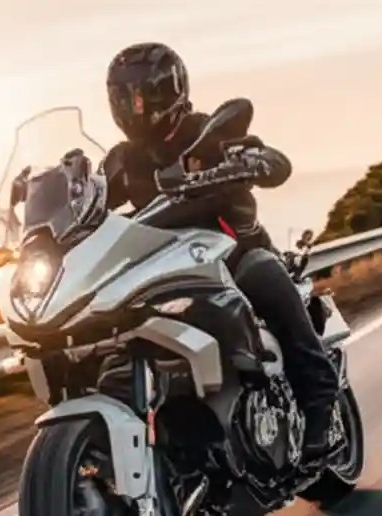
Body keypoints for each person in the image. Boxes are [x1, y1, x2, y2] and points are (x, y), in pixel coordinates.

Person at [100, 42, 339, 464]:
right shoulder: (121, 161)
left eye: (144, 94)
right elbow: (96, 207)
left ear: (171, 90)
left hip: (233, 252)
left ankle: (320, 399)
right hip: (167, 268)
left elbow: (273, 161)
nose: (136, 106)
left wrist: (252, 160)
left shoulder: (205, 131)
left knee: (263, 274)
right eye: (125, 97)